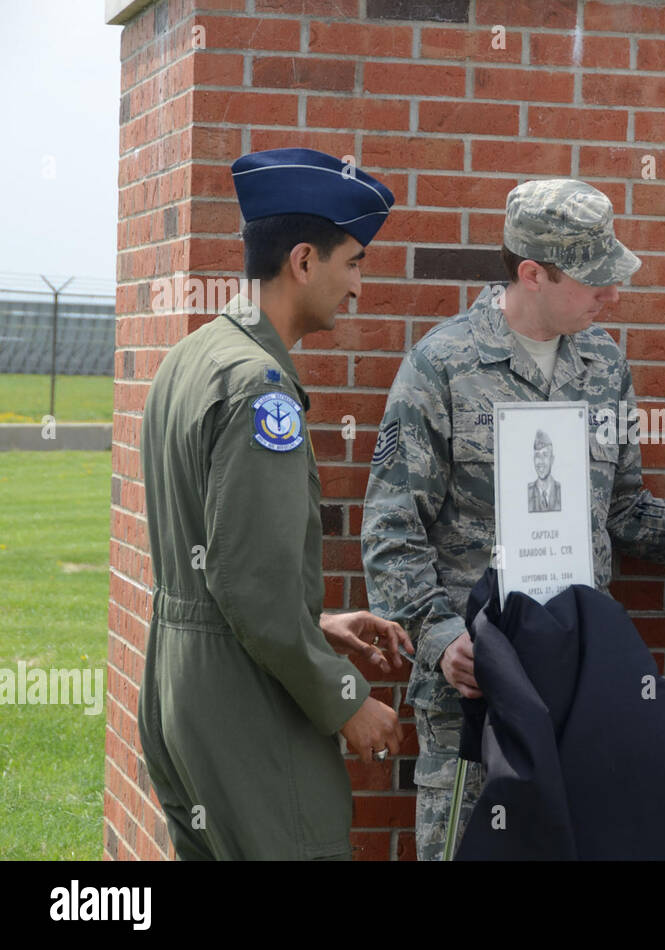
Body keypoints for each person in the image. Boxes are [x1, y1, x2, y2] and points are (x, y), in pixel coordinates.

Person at [362, 178, 665, 860]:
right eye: (594, 281)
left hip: (580, 679)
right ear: (532, 272)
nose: (612, 296)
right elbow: (390, 529)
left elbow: (626, 512)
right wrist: (440, 639)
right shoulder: (443, 367)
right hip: (477, 688)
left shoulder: (603, 364)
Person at [138, 148, 411, 860]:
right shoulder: (262, 389)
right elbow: (250, 586)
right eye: (352, 262)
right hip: (240, 702)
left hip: (180, 684)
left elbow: (218, 566)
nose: (358, 287)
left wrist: (312, 619)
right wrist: (345, 700)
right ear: (302, 261)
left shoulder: (193, 355)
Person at [527, 429, 562, 512]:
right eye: (537, 455)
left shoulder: (561, 492)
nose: (541, 461)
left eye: (545, 455)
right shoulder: (528, 493)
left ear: (552, 459)